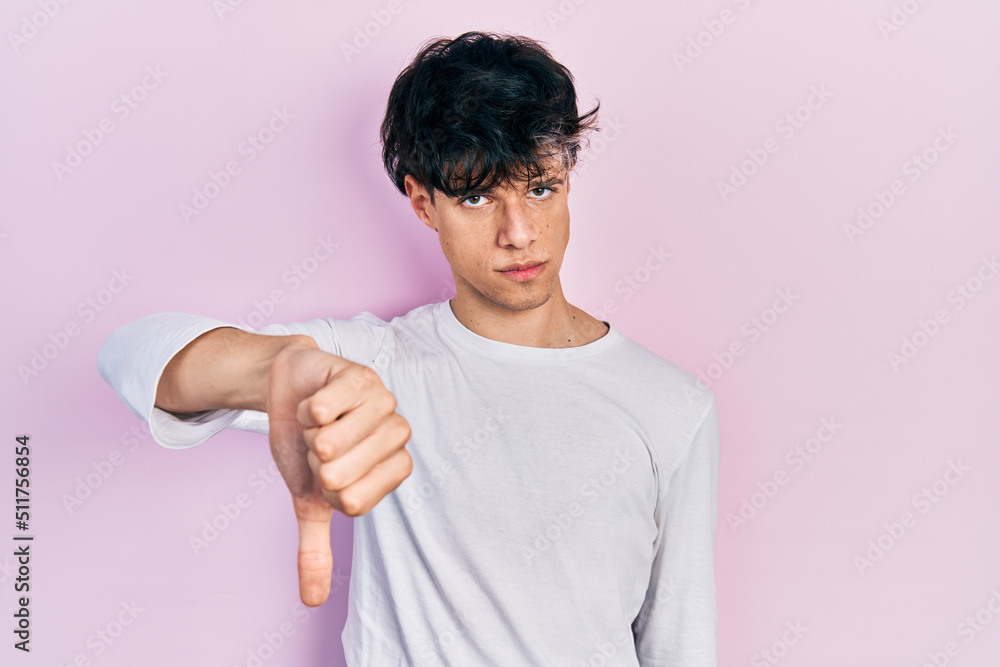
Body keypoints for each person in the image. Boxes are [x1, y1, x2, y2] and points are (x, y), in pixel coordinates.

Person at [98, 31, 721, 666]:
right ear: (425, 203)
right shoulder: (371, 368)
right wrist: (274, 365)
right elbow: (133, 356)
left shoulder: (672, 405)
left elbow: (681, 643)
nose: (519, 233)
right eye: (477, 197)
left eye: (540, 188)